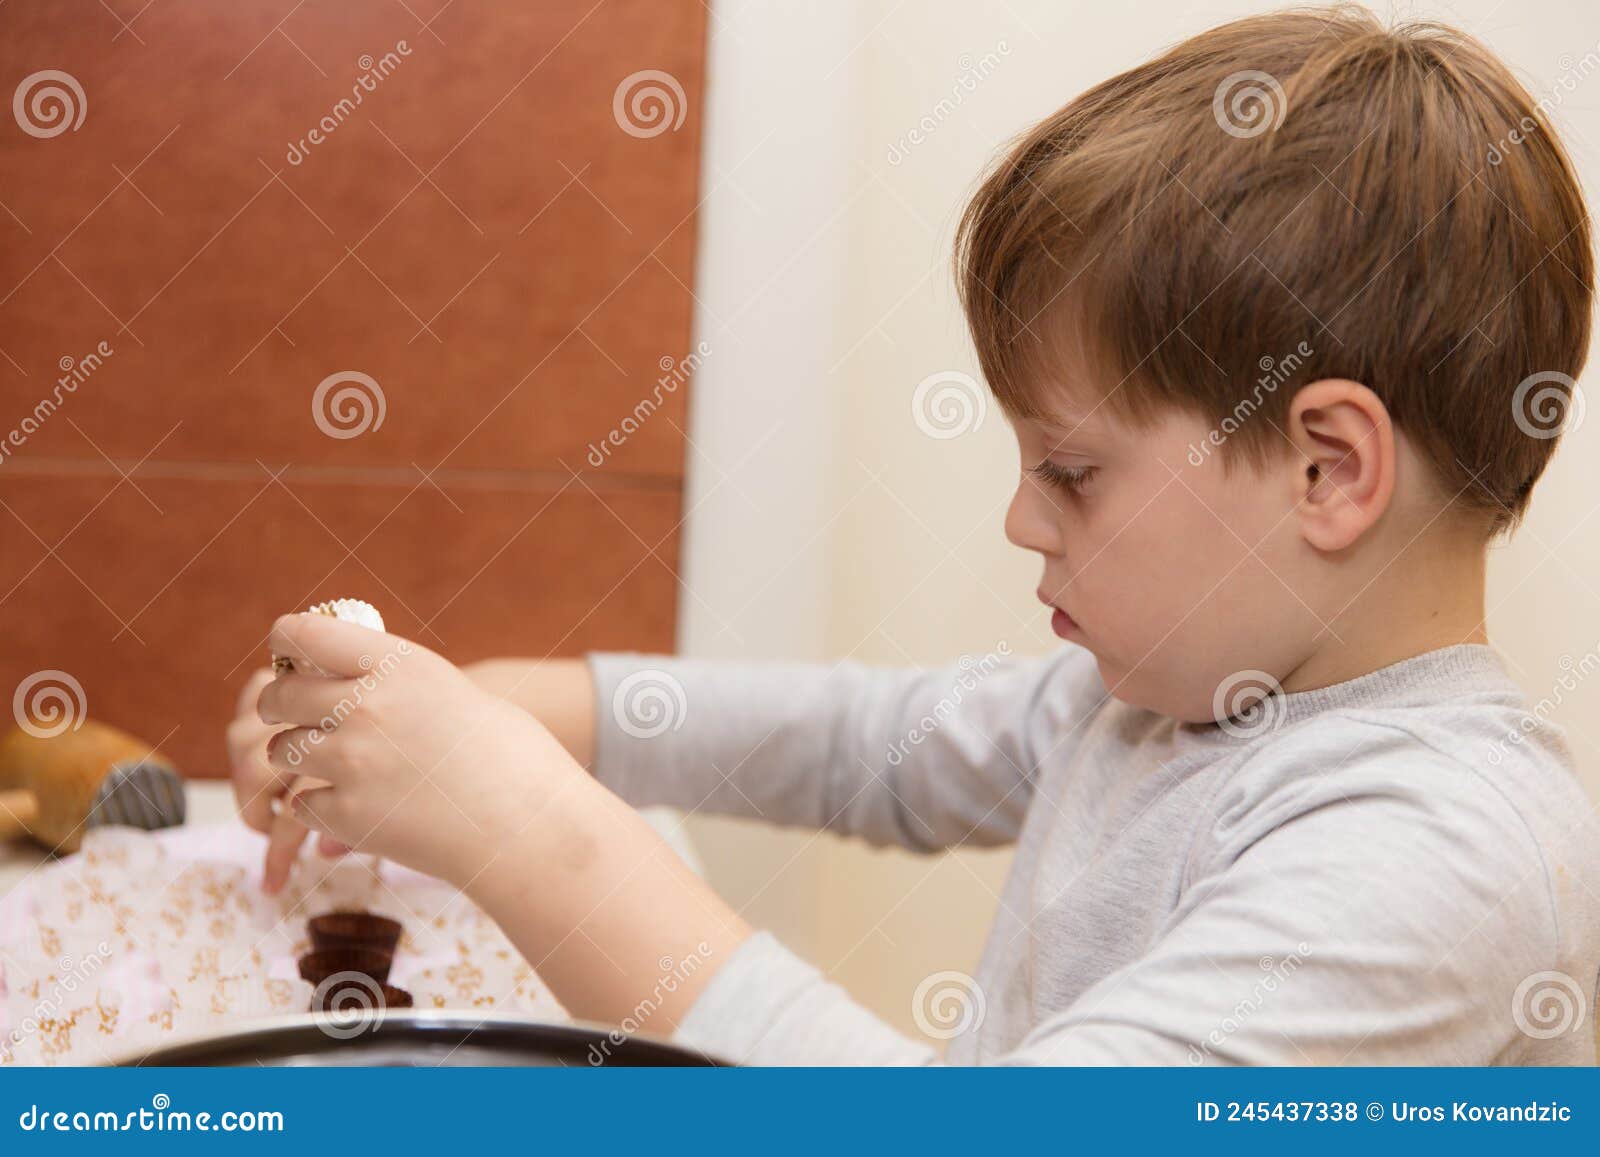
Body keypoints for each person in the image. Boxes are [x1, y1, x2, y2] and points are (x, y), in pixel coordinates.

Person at [227, 6, 1600, 1064]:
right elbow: (868, 745)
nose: (1021, 519)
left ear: (1327, 468)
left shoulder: (1440, 856)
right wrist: (514, 709)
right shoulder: (1178, 702)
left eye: (1073, 472)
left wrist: (521, 821)